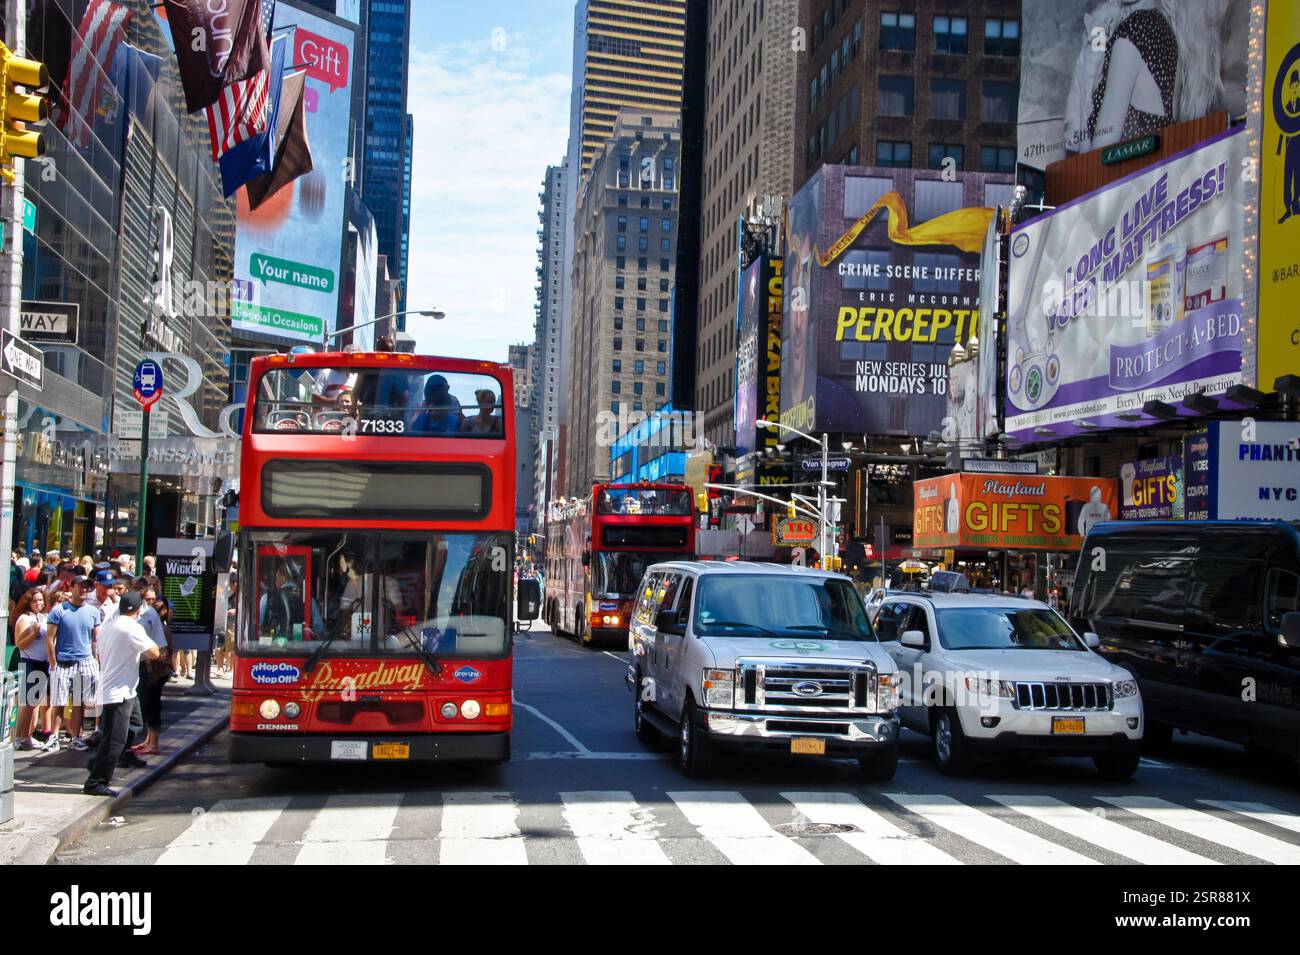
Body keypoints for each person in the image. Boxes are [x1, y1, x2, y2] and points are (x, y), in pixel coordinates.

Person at [84, 591, 160, 798]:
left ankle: (98, 761)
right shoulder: (132, 628)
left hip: (124, 688)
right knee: (115, 739)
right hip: (118, 692)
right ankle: (96, 781)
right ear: (138, 610)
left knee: (135, 724)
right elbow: (155, 653)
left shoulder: (109, 624)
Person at [43, 575, 101, 753]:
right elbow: (49, 639)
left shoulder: (93, 611)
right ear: (72, 587)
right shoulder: (59, 610)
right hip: (62, 661)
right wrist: (53, 663)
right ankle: (54, 737)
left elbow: (96, 640)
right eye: (81, 586)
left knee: (80, 702)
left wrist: (96, 662)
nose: (84, 590)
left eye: (87, 587)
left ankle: (76, 737)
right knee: (59, 702)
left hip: (85, 661)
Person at [131, 583, 171, 756]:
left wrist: (156, 663)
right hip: (137, 664)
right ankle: (148, 740)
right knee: (144, 703)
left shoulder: (151, 614)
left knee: (151, 702)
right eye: (147, 599)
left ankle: (153, 743)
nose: (151, 602)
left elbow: (160, 645)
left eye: (153, 599)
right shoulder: (133, 613)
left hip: (151, 666)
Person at [13, 588, 52, 750]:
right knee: (26, 703)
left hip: (42, 663)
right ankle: (18, 738)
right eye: (35, 601)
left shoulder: (43, 617)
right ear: (28, 602)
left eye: (41, 600)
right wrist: (33, 632)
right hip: (29, 662)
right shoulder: (23, 618)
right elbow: (19, 644)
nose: (38, 603)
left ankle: (27, 736)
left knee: (34, 703)